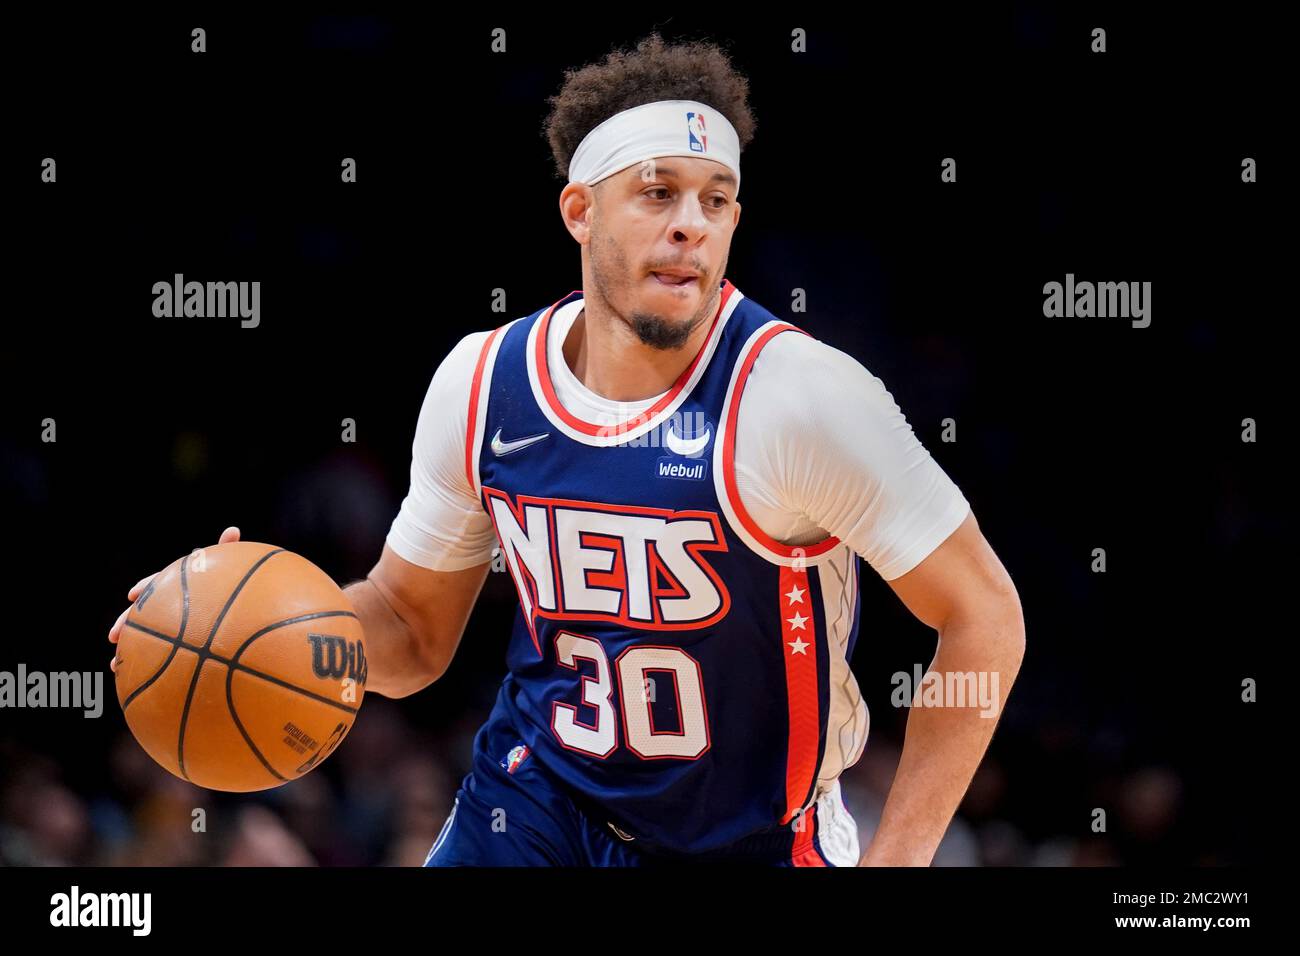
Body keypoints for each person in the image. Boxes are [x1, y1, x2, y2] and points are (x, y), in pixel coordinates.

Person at [110, 33, 1025, 867]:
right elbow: (410, 631)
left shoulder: (804, 400)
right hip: (532, 806)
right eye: (658, 192)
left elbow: (984, 614)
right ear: (580, 211)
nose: (691, 225)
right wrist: (267, 618)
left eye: (716, 201)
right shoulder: (484, 382)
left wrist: (899, 859)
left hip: (746, 836)